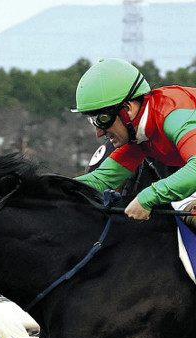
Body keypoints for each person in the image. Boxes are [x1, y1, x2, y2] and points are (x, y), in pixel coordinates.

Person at [72, 58, 196, 221]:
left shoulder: (173, 115)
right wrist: (44, 187)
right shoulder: (139, 135)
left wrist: (148, 197)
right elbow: (100, 179)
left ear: (128, 109)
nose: (99, 133)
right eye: (92, 120)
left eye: (101, 119)